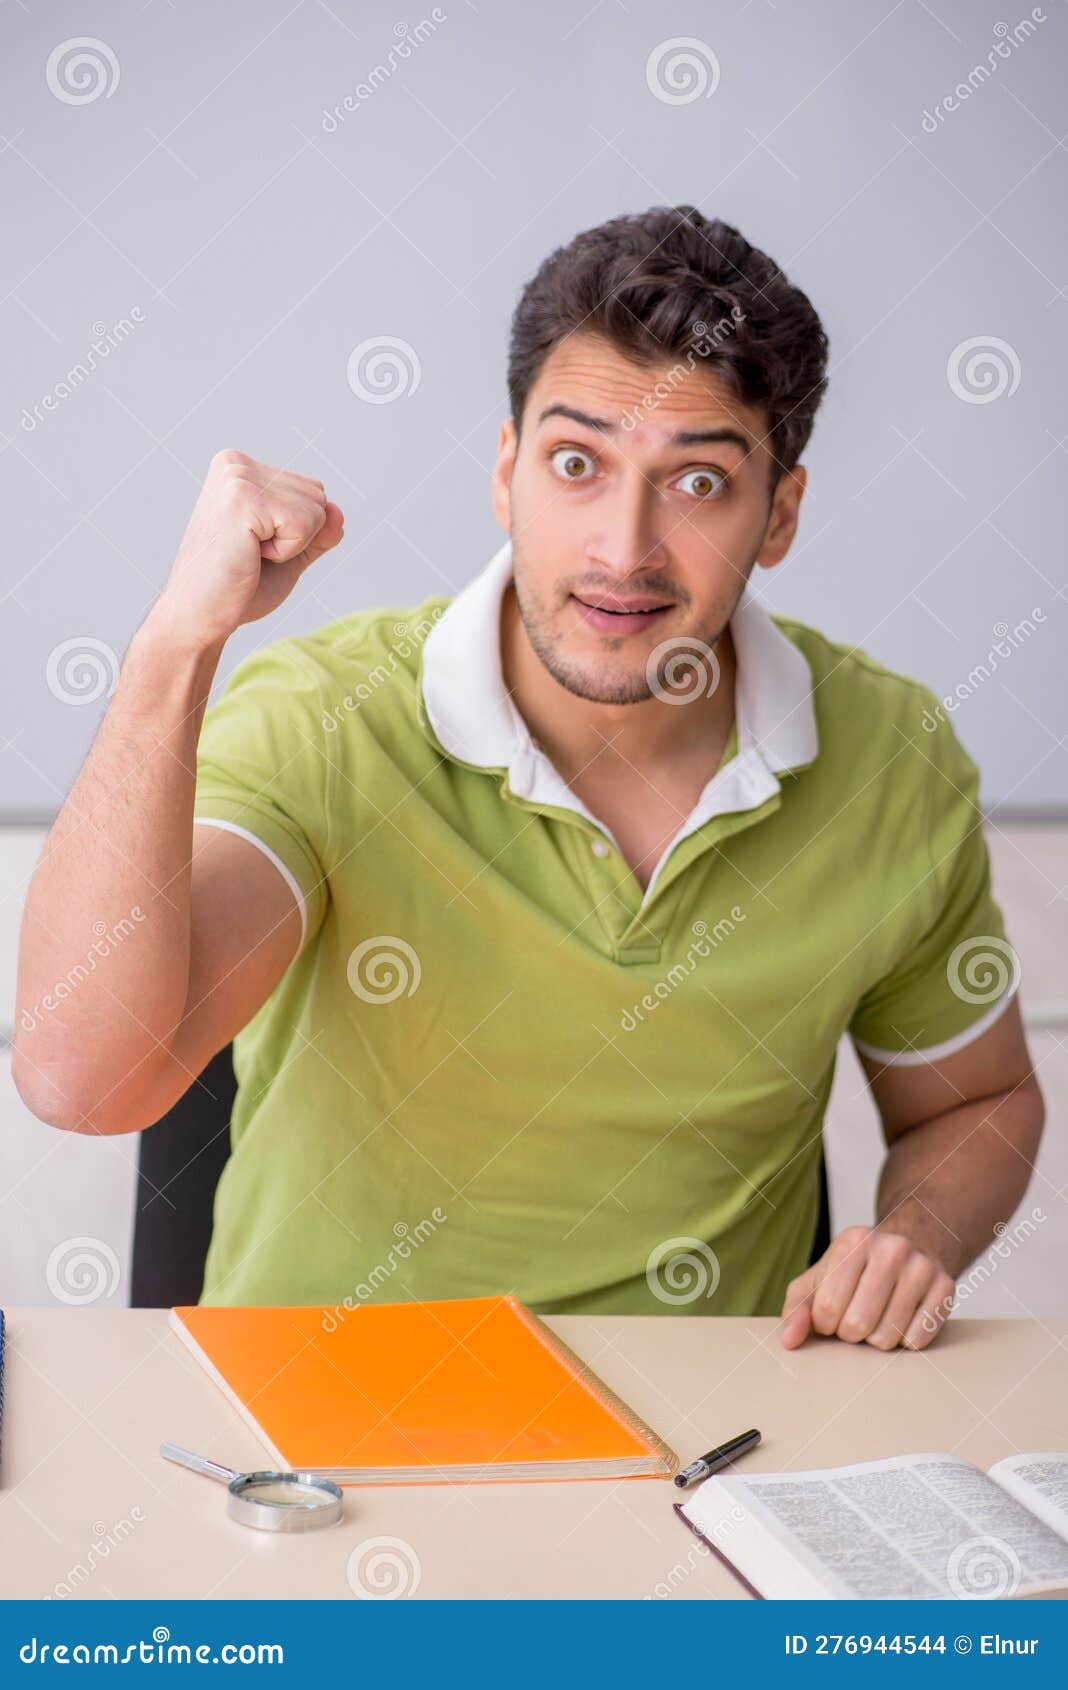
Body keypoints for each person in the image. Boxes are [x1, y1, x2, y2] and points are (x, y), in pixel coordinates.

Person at [14, 205, 1043, 1350]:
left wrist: (918, 1234)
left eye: (698, 482)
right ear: (507, 475)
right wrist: (175, 644)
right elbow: (81, 1080)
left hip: (710, 1463)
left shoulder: (889, 760)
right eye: (575, 463)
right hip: (322, 1447)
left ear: (779, 514)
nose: (623, 548)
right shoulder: (329, 720)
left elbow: (978, 1103)